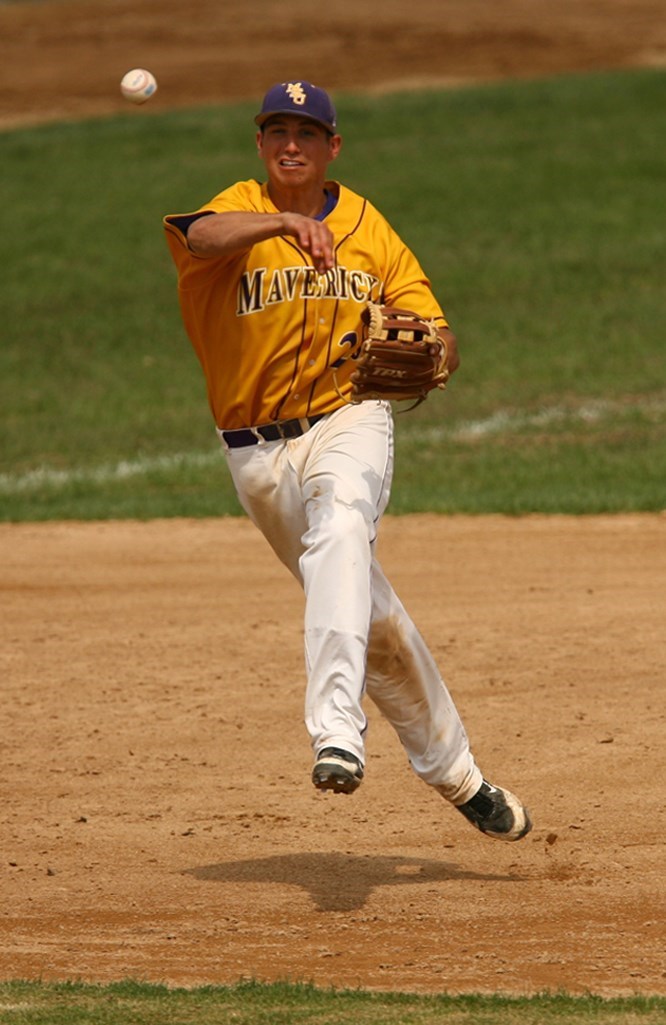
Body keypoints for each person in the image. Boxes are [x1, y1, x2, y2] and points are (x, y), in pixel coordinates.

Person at [163, 80, 532, 842]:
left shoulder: (370, 226)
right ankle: (459, 774)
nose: (290, 143)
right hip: (257, 457)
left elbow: (437, 328)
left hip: (348, 418)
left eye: (307, 131)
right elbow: (197, 237)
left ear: (334, 146)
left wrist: (437, 353)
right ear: (260, 145)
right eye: (276, 131)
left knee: (340, 527)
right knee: (373, 617)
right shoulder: (235, 213)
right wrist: (282, 221)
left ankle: (336, 729)